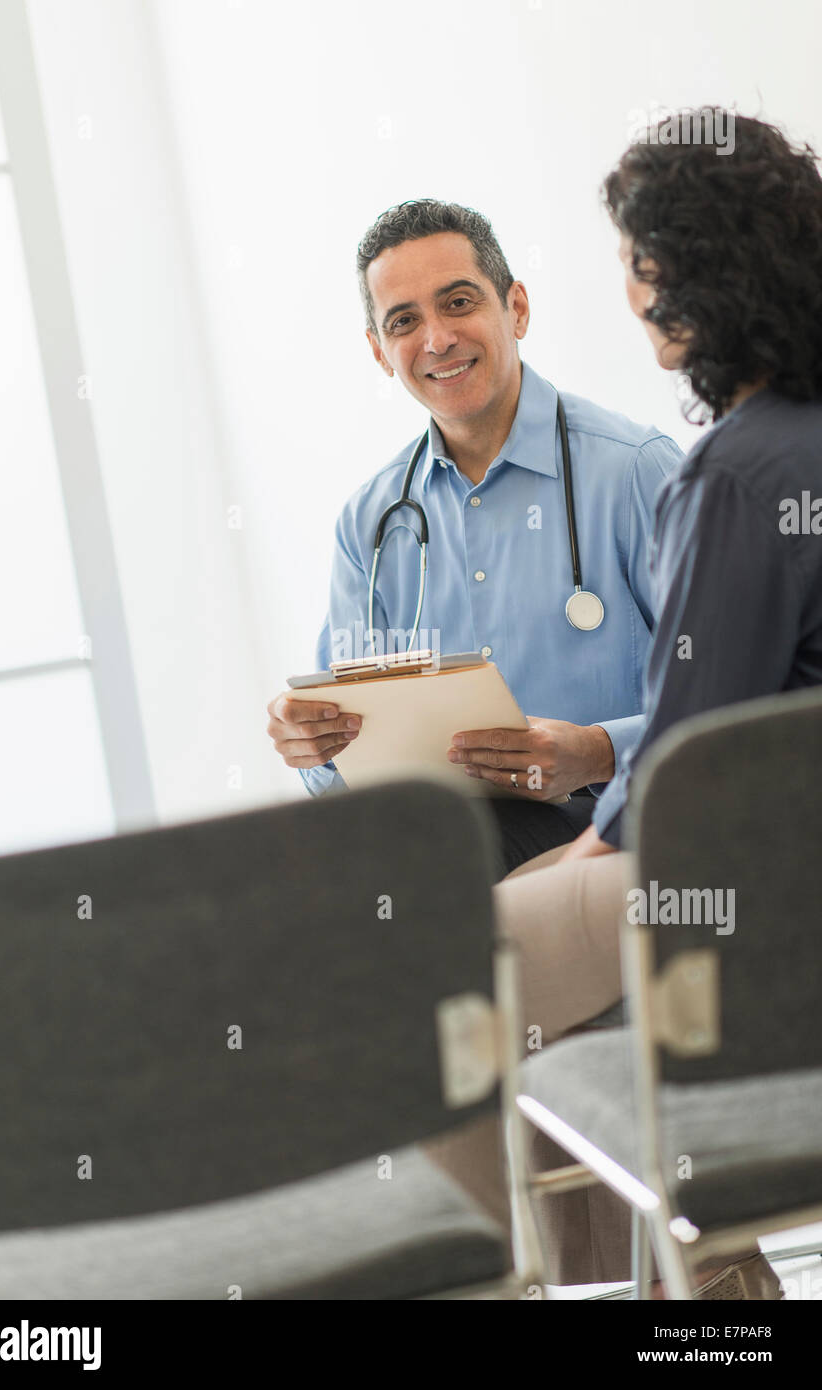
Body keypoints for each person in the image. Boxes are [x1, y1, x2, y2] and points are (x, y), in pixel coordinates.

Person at [426, 108, 822, 1298]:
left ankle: (523, 1284)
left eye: (637, 267)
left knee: (440, 976)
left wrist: (585, 840)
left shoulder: (732, 473)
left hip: (756, 897)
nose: (634, 295)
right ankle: (700, 1289)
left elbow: (690, 773)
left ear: (686, 281)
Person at [267, 200, 682, 876]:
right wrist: (315, 746)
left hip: (622, 827)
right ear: (379, 350)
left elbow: (741, 701)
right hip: (448, 840)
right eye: (404, 321)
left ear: (515, 308)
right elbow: (341, 777)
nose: (436, 339)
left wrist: (599, 751)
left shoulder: (636, 472)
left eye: (458, 302)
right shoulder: (369, 523)